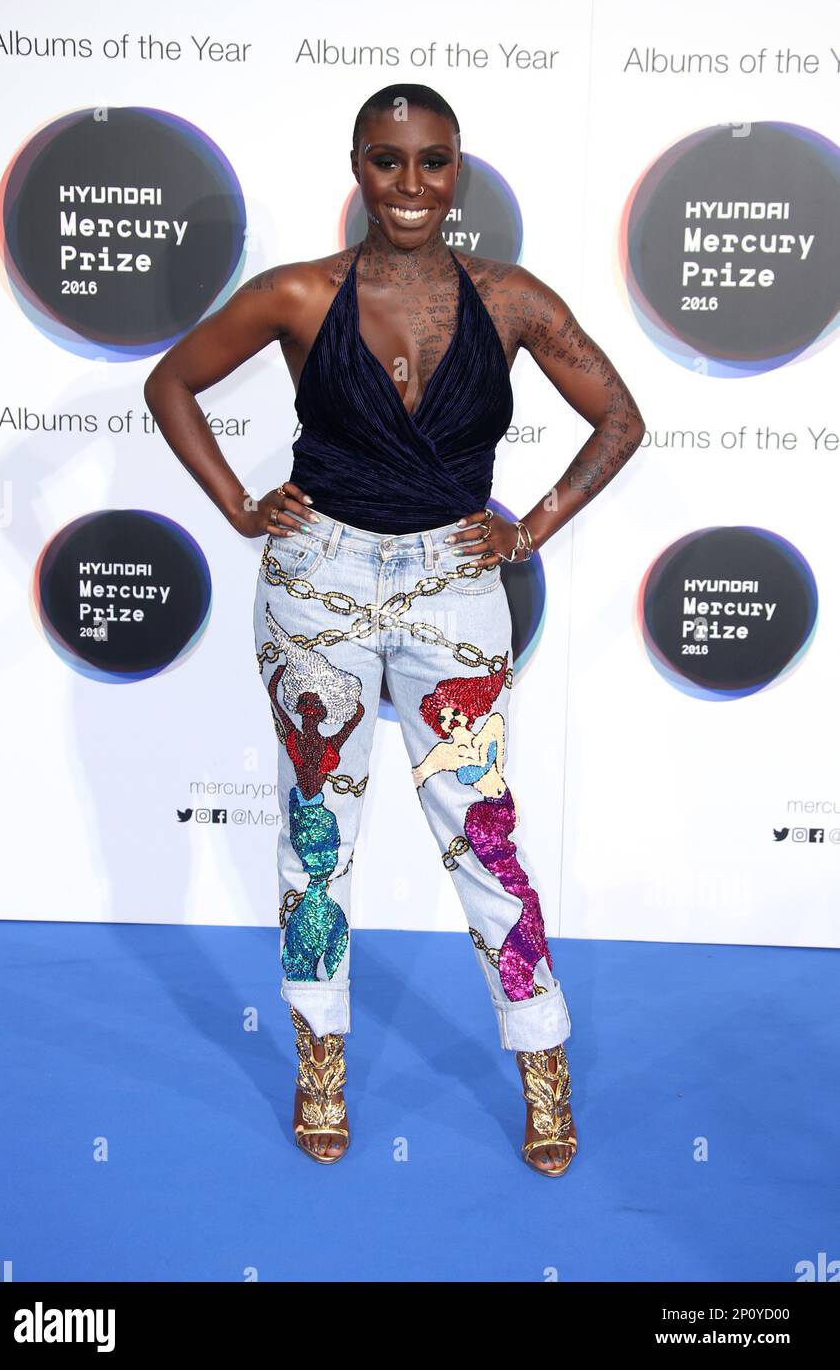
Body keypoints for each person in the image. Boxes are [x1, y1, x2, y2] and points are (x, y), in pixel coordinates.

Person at [144, 83, 646, 1176]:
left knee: (486, 835)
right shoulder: (294, 294)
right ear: (358, 167)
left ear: (456, 167)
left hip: (453, 587)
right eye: (387, 161)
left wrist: (535, 529)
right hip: (315, 580)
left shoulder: (512, 300)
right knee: (317, 836)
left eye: (431, 162)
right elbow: (171, 380)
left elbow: (621, 416)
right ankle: (318, 1063)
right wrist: (240, 505)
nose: (409, 186)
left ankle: (543, 1062)